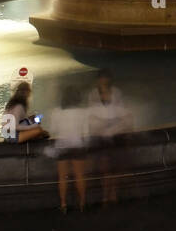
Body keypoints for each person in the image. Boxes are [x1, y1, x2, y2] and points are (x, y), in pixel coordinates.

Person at [86, 72, 134, 205]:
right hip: (101, 136)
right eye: (101, 79)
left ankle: (112, 193)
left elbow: (123, 113)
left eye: (105, 79)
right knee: (105, 168)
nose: (103, 81)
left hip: (115, 134)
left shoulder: (116, 92)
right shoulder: (93, 94)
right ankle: (106, 194)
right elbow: (91, 115)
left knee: (114, 167)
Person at [49, 83, 93, 213]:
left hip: (62, 145)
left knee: (62, 177)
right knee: (80, 175)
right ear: (77, 97)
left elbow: (53, 130)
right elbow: (86, 133)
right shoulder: (83, 112)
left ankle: (63, 205)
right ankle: (82, 203)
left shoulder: (56, 112)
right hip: (78, 145)